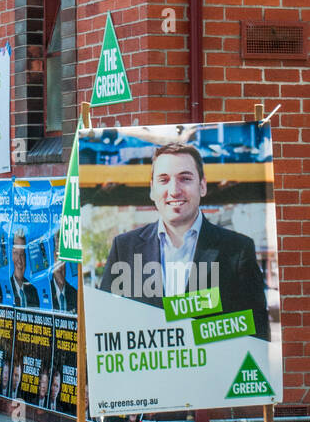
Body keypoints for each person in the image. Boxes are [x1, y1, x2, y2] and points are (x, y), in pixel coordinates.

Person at [99, 142, 270, 339]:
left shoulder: (237, 250)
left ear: (202, 186)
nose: (174, 190)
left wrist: (200, 333)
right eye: (163, 180)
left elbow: (256, 329)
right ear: (152, 189)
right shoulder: (125, 249)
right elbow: (106, 326)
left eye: (185, 178)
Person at [9, 233, 40, 307]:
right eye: (16, 253)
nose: (19, 261)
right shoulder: (7, 286)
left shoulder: (33, 290)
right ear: (12, 256)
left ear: (26, 258)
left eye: (22, 254)